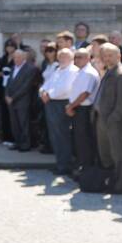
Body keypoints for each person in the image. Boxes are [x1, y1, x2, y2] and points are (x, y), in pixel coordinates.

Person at [94, 44, 122, 193]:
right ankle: (112, 182)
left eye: (110, 55)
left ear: (119, 56)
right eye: (104, 55)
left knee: (120, 155)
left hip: (115, 122)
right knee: (107, 154)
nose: (107, 58)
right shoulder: (108, 72)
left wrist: (112, 119)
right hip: (103, 120)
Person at [40, 46, 77, 175]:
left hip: (61, 103)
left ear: (71, 57)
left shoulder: (72, 70)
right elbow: (46, 84)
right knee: (55, 136)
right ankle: (60, 163)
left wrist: (48, 95)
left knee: (62, 136)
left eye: (65, 56)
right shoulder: (58, 69)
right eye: (60, 56)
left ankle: (65, 166)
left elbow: (66, 88)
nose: (62, 58)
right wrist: (43, 92)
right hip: (51, 103)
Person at [65, 45, 101, 171]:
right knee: (79, 140)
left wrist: (71, 106)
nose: (76, 60)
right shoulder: (81, 71)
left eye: (80, 57)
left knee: (84, 140)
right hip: (78, 108)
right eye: (75, 57)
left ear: (88, 58)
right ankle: (82, 165)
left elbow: (85, 93)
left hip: (84, 110)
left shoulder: (88, 73)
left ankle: (86, 167)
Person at [4, 47, 39, 152]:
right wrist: (6, 95)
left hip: (22, 101)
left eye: (19, 57)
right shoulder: (13, 67)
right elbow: (8, 83)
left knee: (23, 123)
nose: (16, 59)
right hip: (10, 100)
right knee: (14, 124)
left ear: (24, 57)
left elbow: (26, 87)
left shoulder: (30, 69)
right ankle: (18, 142)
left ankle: (25, 144)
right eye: (15, 57)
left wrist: (13, 98)